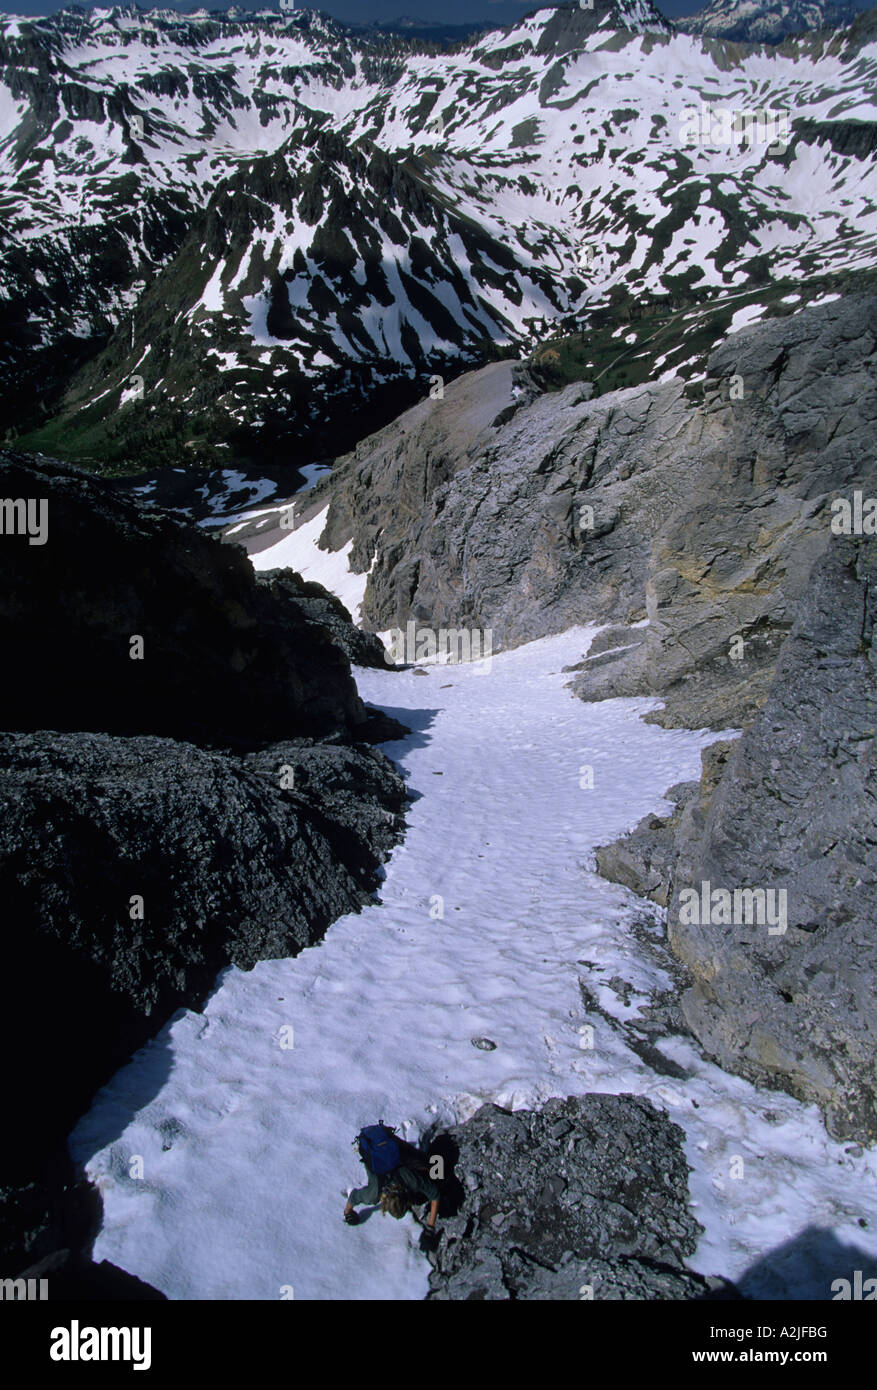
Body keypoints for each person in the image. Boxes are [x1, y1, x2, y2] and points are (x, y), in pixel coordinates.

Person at [344, 1127, 440, 1251]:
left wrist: (430, 1228)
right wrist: (347, 1213)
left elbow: (435, 1194)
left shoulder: (409, 1180)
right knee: (425, 1170)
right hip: (379, 1146)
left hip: (390, 1146)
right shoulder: (375, 1193)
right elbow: (353, 1197)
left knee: (434, 1171)